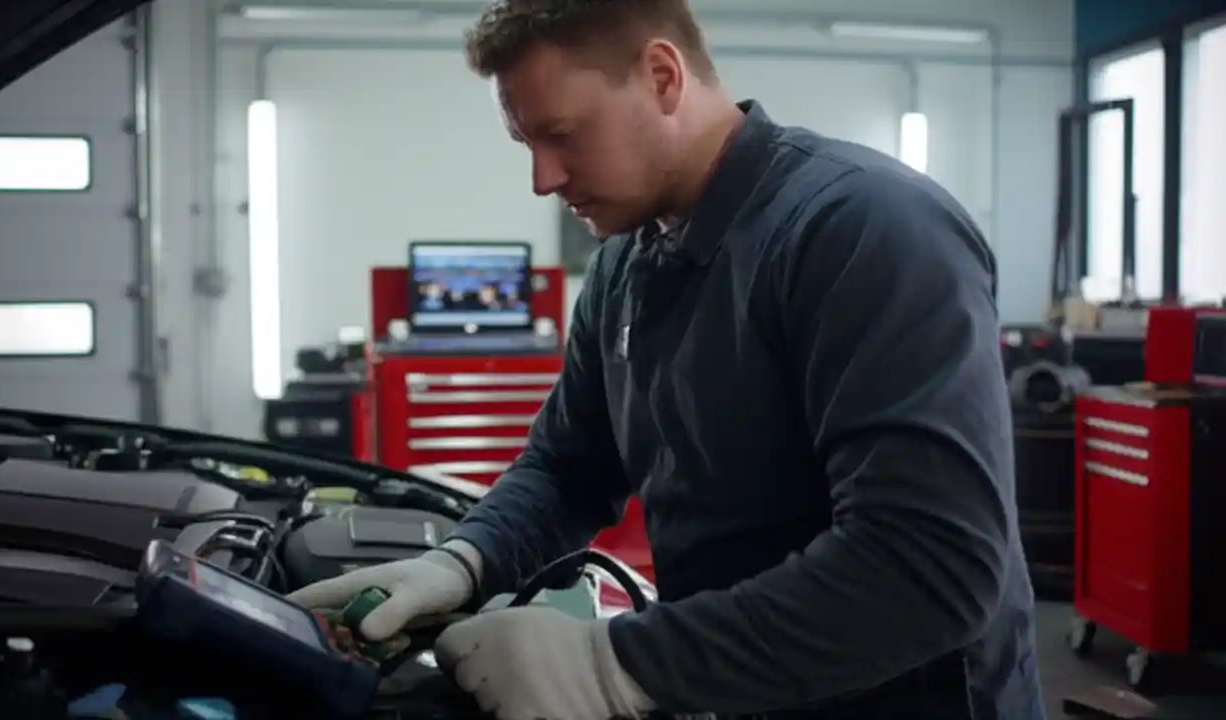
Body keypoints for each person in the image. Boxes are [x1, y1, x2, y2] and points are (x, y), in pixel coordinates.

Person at [287, 1, 1047, 719]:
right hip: (743, 688)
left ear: (662, 76)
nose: (543, 179)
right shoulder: (627, 263)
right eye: (528, 145)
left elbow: (930, 565)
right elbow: (567, 466)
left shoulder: (865, 231)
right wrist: (462, 561)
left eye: (564, 135)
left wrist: (615, 666)